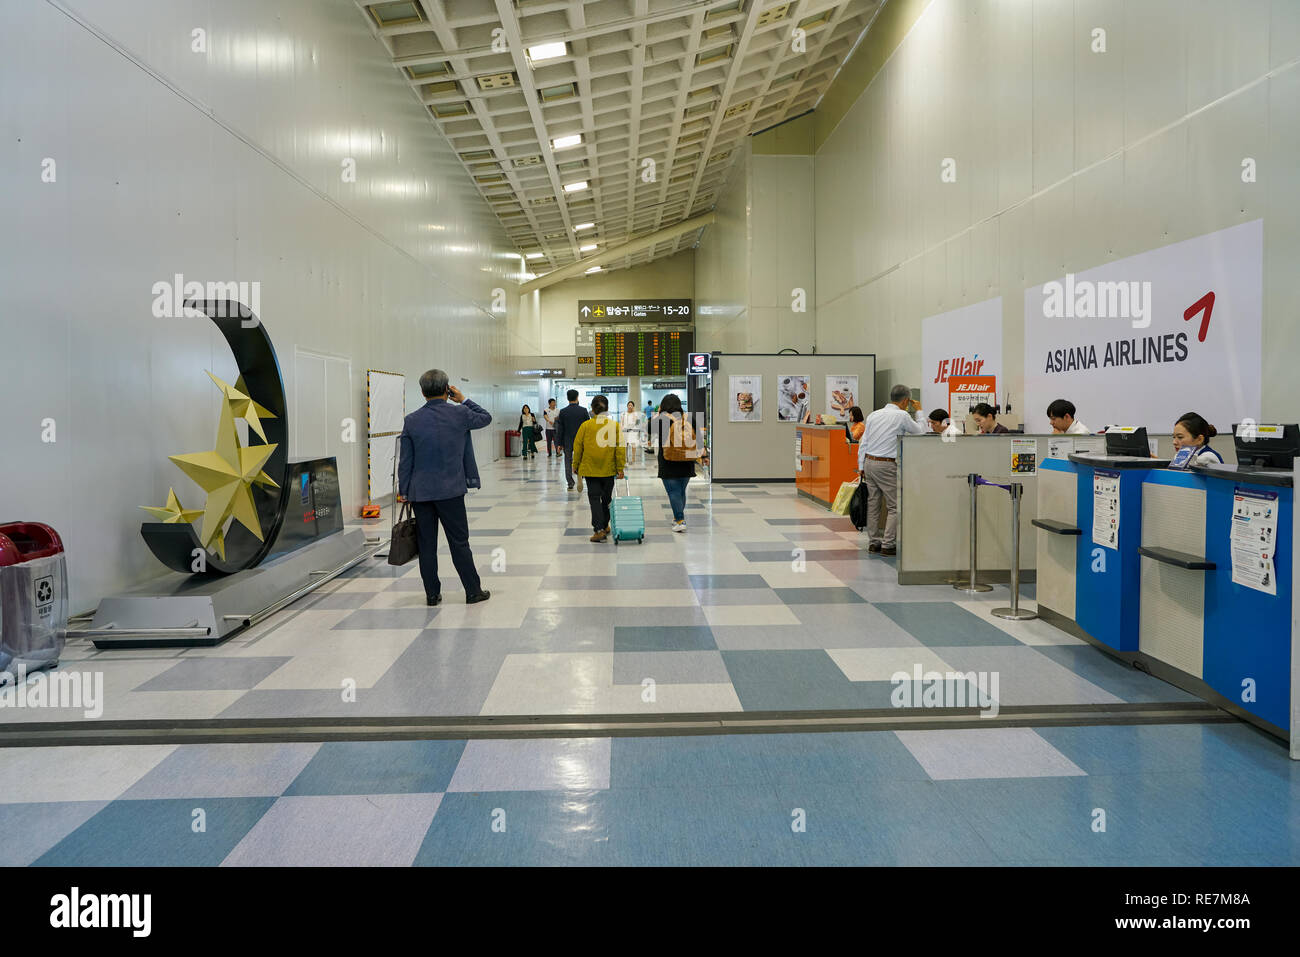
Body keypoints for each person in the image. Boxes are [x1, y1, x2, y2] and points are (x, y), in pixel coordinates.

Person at [398, 369, 492, 606]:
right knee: (459, 543)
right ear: (447, 389)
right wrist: (463, 399)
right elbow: (486, 417)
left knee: (427, 545)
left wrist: (404, 491)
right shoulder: (460, 414)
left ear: (422, 392)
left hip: (421, 493)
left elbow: (405, 461)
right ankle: (473, 591)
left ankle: (432, 594)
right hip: (451, 491)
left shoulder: (411, 420)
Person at [858, 384, 926, 556]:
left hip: (869, 462)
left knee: (873, 504)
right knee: (895, 506)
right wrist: (919, 411)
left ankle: (873, 543)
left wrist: (861, 466)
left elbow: (863, 442)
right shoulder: (902, 415)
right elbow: (920, 432)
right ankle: (888, 544)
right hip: (887, 465)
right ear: (905, 401)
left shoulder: (874, 414)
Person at [572, 395, 625, 542]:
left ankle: (599, 529)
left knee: (594, 498)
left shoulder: (585, 426)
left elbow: (578, 447)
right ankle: (605, 525)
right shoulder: (614, 425)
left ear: (593, 409)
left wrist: (575, 465)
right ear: (607, 408)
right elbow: (620, 448)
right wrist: (620, 467)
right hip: (609, 469)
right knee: (607, 499)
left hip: (591, 469)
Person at [654, 394, 706, 532]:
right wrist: (704, 455)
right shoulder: (689, 418)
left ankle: (680, 519)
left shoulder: (662, 419)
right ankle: (678, 517)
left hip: (668, 461)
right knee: (681, 491)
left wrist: (658, 414)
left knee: (673, 491)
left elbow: (646, 428)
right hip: (687, 460)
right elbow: (699, 439)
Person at [553, 389, 589, 491]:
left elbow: (560, 429)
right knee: (581, 460)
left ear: (568, 398)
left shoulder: (563, 412)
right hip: (581, 441)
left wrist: (559, 443)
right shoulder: (583, 410)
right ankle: (580, 477)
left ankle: (570, 482)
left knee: (567, 461)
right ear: (577, 397)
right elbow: (588, 427)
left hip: (567, 441)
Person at [621, 400, 645, 466]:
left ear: (633, 407)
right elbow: (621, 423)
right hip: (625, 431)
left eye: (631, 405)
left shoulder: (635, 414)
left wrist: (634, 413)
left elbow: (637, 423)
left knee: (633, 445)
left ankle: (633, 458)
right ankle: (626, 458)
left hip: (633, 431)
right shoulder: (623, 414)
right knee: (626, 445)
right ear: (627, 406)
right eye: (629, 405)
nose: (630, 406)